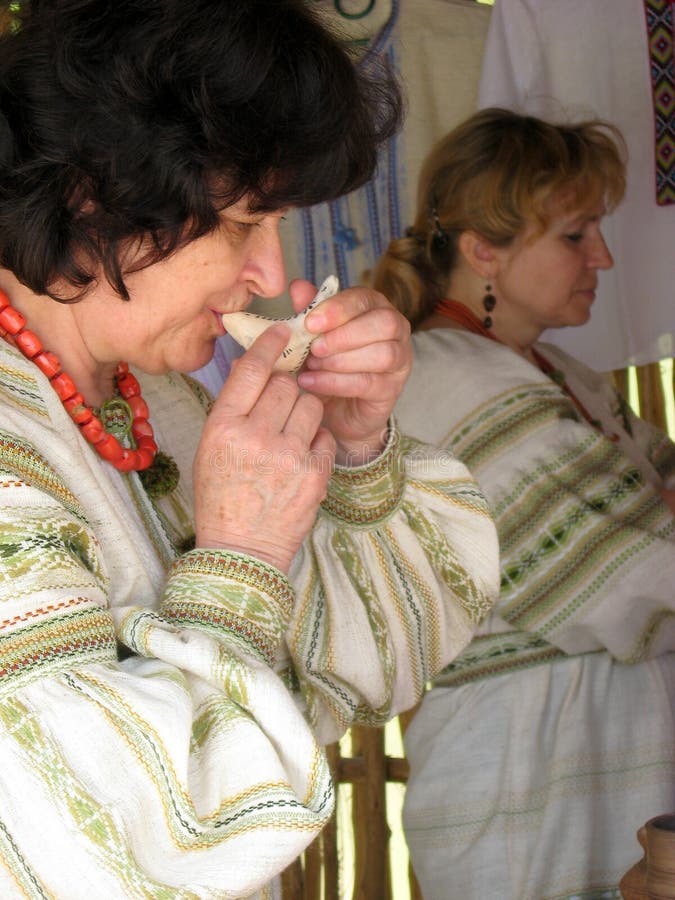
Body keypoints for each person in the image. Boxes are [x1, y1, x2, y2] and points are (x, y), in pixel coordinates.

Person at [0, 4, 501, 898]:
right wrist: (240, 558)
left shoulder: (163, 405)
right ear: (97, 194)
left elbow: (341, 675)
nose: (272, 274)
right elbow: (76, 839)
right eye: (243, 223)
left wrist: (353, 447)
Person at [373, 108, 675, 899]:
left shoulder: (560, 376)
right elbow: (627, 572)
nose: (601, 257)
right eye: (575, 235)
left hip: (575, 760)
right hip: (522, 777)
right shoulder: (446, 378)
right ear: (483, 251)